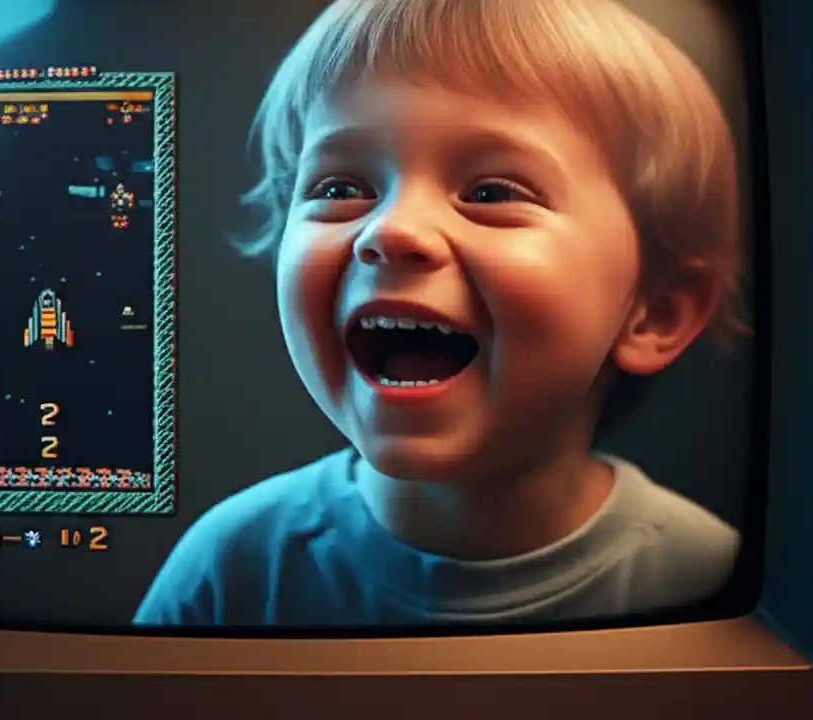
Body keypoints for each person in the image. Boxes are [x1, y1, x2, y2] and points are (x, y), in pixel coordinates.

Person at [136, 0, 744, 626]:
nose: (392, 229)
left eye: (490, 194)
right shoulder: (235, 568)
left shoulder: (704, 574)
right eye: (340, 189)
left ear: (656, 314)